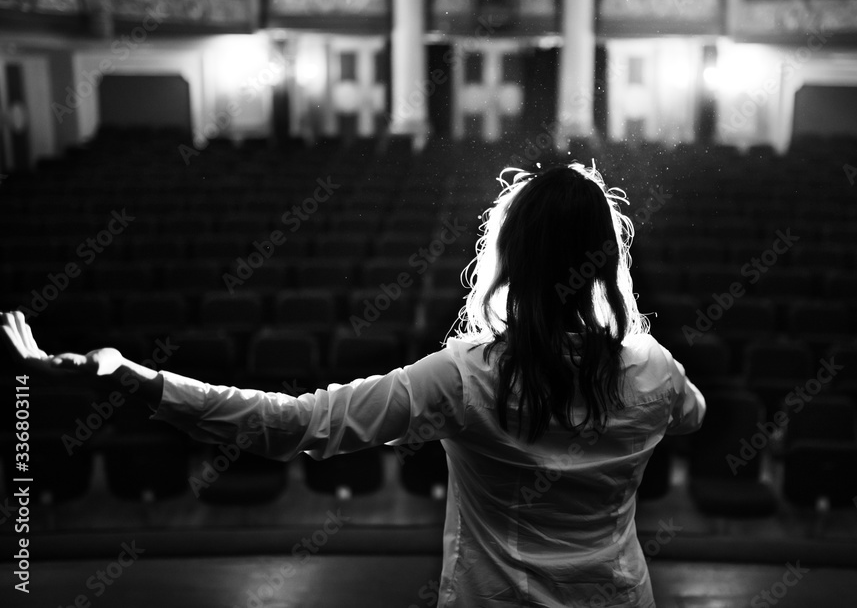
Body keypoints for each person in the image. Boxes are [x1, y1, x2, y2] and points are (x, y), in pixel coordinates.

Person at [3, 162, 705, 607]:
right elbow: (691, 416)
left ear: (512, 260)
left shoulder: (463, 377)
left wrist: (138, 377)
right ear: (606, 262)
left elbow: (290, 425)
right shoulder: (653, 368)